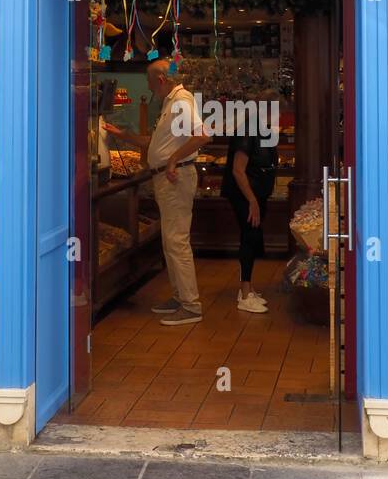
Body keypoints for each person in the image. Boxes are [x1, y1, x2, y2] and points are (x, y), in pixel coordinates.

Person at [103, 59, 210, 325]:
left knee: (176, 242)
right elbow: (156, 142)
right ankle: (180, 296)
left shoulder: (181, 102)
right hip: (169, 178)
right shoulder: (171, 103)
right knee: (170, 241)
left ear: (161, 80)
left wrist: (172, 160)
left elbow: (203, 135)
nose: (149, 89)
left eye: (150, 83)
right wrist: (123, 134)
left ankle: (190, 305)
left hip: (176, 178)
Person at [221, 91, 279, 313]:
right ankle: (245, 295)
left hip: (256, 193)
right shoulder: (247, 130)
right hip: (245, 194)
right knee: (249, 236)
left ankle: (248, 288)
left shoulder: (263, 129)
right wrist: (252, 200)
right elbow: (238, 171)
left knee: (252, 238)